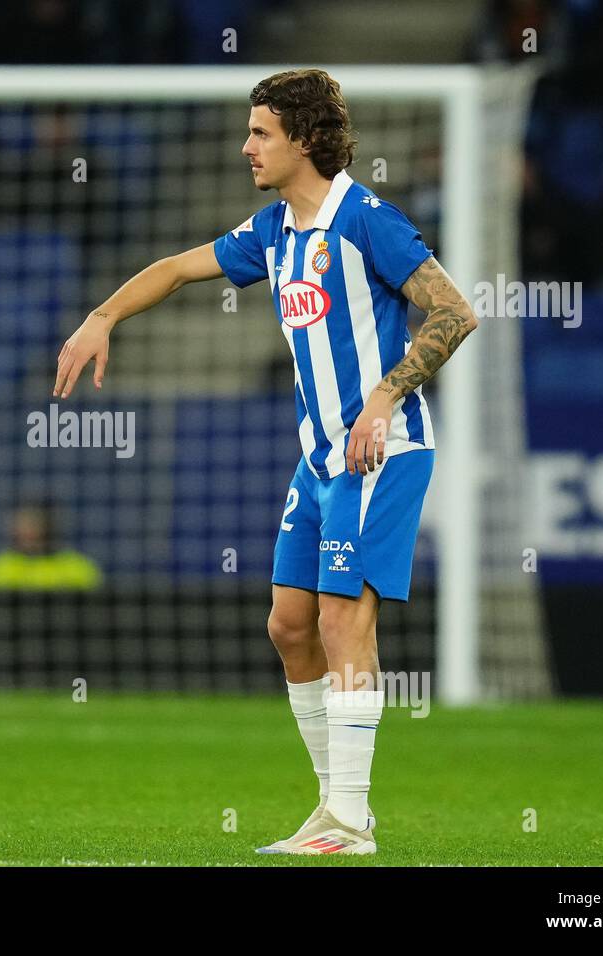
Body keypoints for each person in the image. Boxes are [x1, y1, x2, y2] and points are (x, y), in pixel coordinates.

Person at [55, 69, 478, 855]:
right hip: (318, 460)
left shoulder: (367, 220)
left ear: (305, 140)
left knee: (343, 619)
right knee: (289, 626)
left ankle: (349, 820)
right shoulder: (274, 231)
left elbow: (455, 310)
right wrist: (101, 316)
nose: (246, 147)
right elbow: (177, 269)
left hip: (379, 453)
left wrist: (385, 396)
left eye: (260, 133)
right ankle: (334, 808)